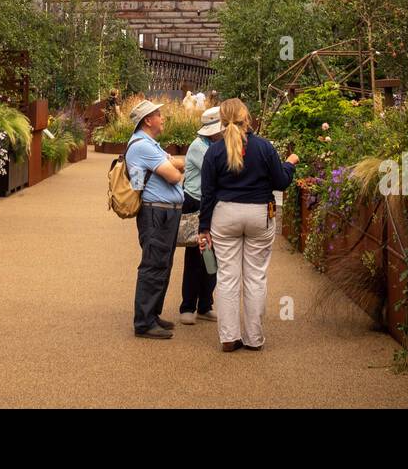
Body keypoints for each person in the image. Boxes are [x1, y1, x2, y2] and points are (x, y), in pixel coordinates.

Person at [197, 98, 299, 352]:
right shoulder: (264, 147)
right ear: (248, 118)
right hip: (259, 214)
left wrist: (203, 228)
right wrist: (290, 163)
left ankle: (229, 337)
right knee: (255, 277)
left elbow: (207, 193)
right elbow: (281, 181)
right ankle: (254, 338)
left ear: (222, 120)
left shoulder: (215, 151)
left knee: (227, 277)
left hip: (224, 215)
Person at [125, 99, 186, 339]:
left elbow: (176, 164)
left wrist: (173, 164)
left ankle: (152, 315)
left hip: (162, 211)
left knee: (163, 263)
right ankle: (144, 322)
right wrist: (173, 166)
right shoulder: (143, 146)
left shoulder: (150, 144)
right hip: (156, 213)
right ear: (148, 120)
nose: (163, 118)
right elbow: (173, 176)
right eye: (159, 114)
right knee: (154, 264)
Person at [178, 106, 221, 324]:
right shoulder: (199, 146)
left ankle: (205, 304)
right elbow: (218, 171)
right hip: (196, 203)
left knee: (213, 257)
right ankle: (187, 306)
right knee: (196, 256)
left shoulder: (216, 144)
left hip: (212, 204)